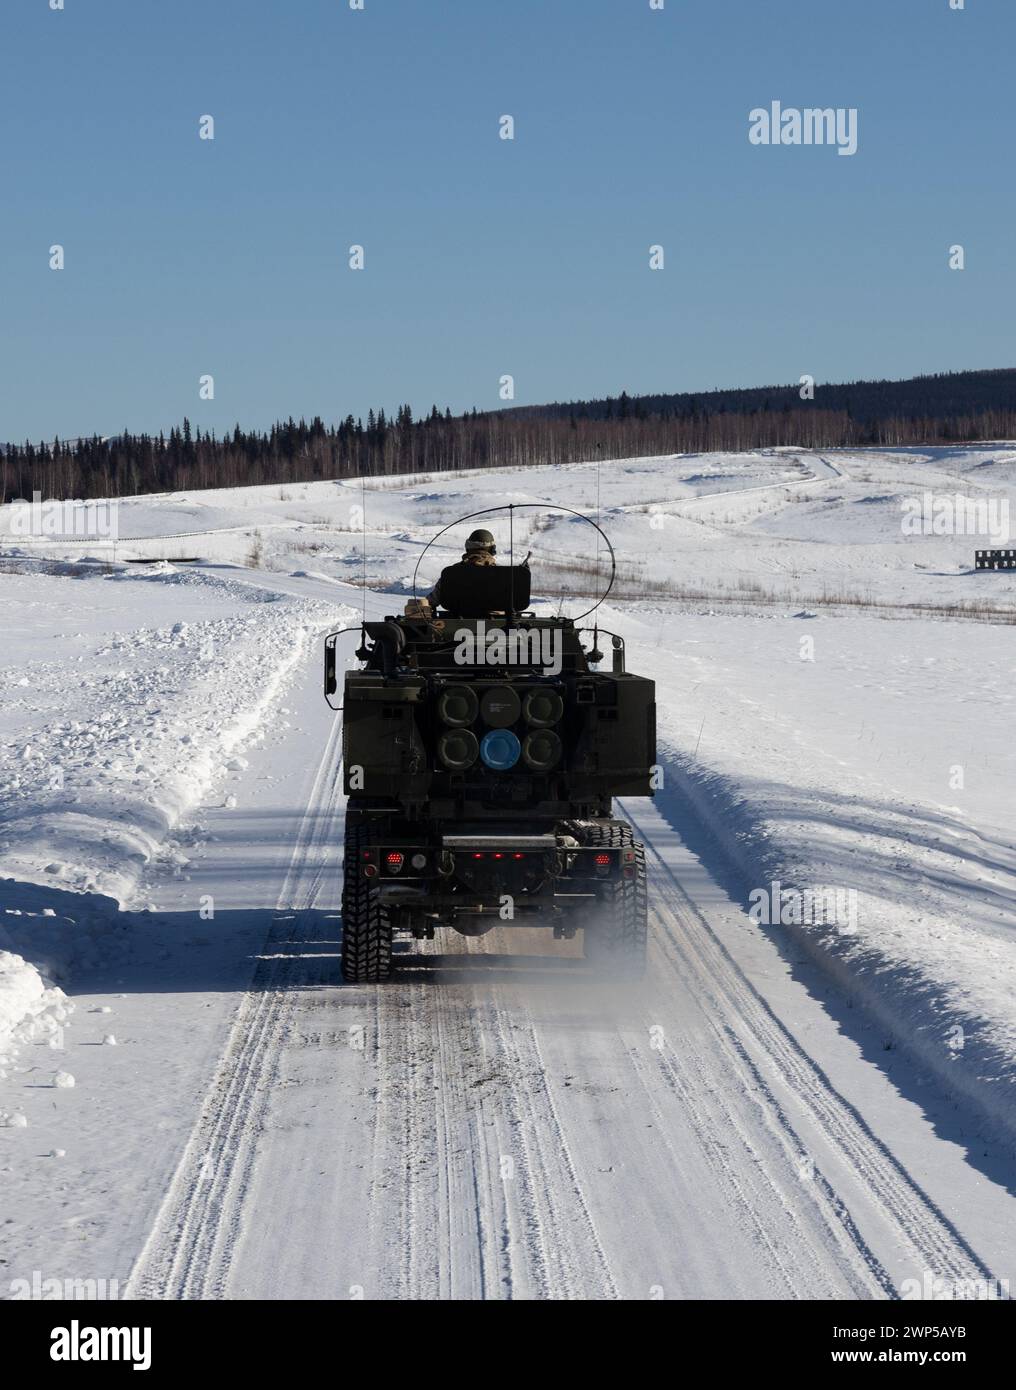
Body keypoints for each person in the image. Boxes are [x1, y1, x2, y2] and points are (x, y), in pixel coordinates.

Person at [416, 528, 498, 613]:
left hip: (456, 623)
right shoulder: (501, 573)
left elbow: (431, 601)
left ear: (468, 547)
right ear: (492, 549)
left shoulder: (452, 572)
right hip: (496, 624)